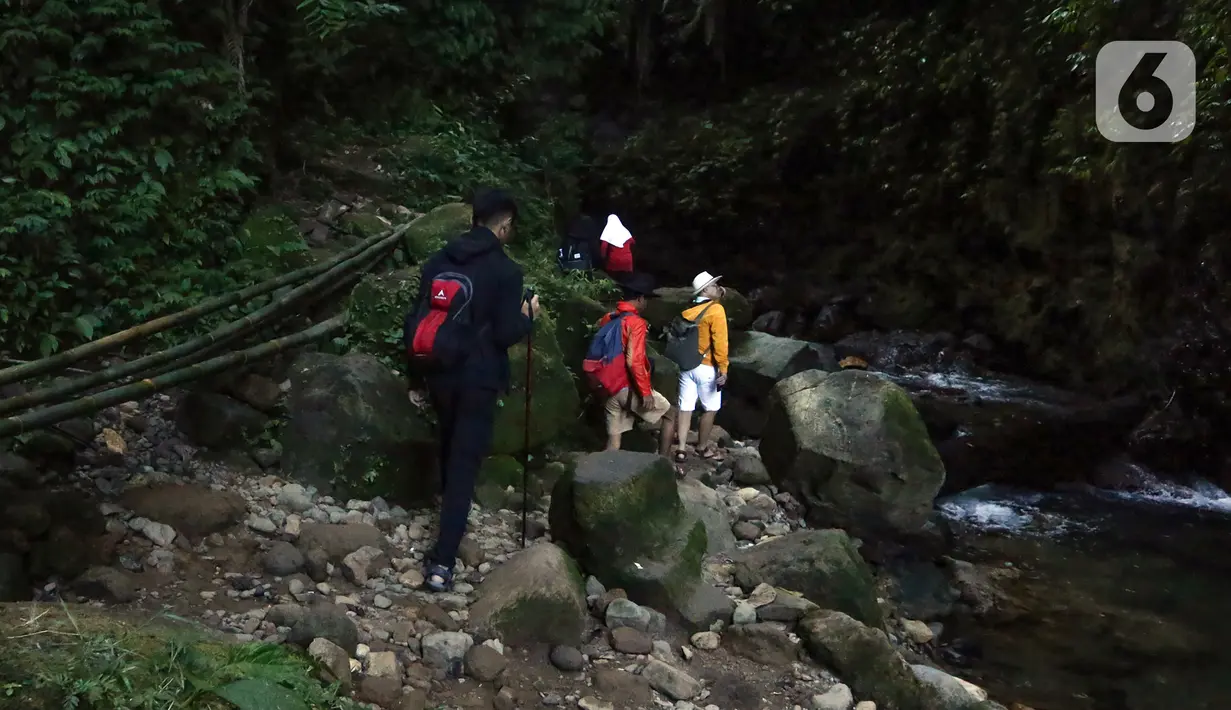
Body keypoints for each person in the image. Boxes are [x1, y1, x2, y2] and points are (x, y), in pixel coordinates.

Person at [413, 188, 540, 592]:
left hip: (438, 370)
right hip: (478, 378)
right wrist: (528, 317)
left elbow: (418, 317)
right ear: (504, 226)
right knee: (466, 462)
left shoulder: (439, 260)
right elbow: (504, 333)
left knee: (449, 444)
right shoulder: (505, 272)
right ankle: (442, 562)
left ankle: (445, 513)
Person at [582, 272, 677, 455]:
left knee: (614, 443)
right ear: (640, 298)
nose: (647, 303)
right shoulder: (636, 323)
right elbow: (634, 361)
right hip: (625, 388)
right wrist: (645, 392)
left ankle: (602, 474)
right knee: (670, 415)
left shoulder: (608, 318)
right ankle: (664, 463)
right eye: (646, 299)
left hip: (606, 388)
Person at [674, 271, 730, 462]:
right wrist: (723, 368)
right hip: (707, 367)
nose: (718, 288)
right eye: (714, 285)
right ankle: (702, 447)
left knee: (685, 406)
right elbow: (720, 342)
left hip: (687, 365)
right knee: (711, 408)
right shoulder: (716, 310)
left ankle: (681, 449)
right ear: (706, 290)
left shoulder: (688, 311)